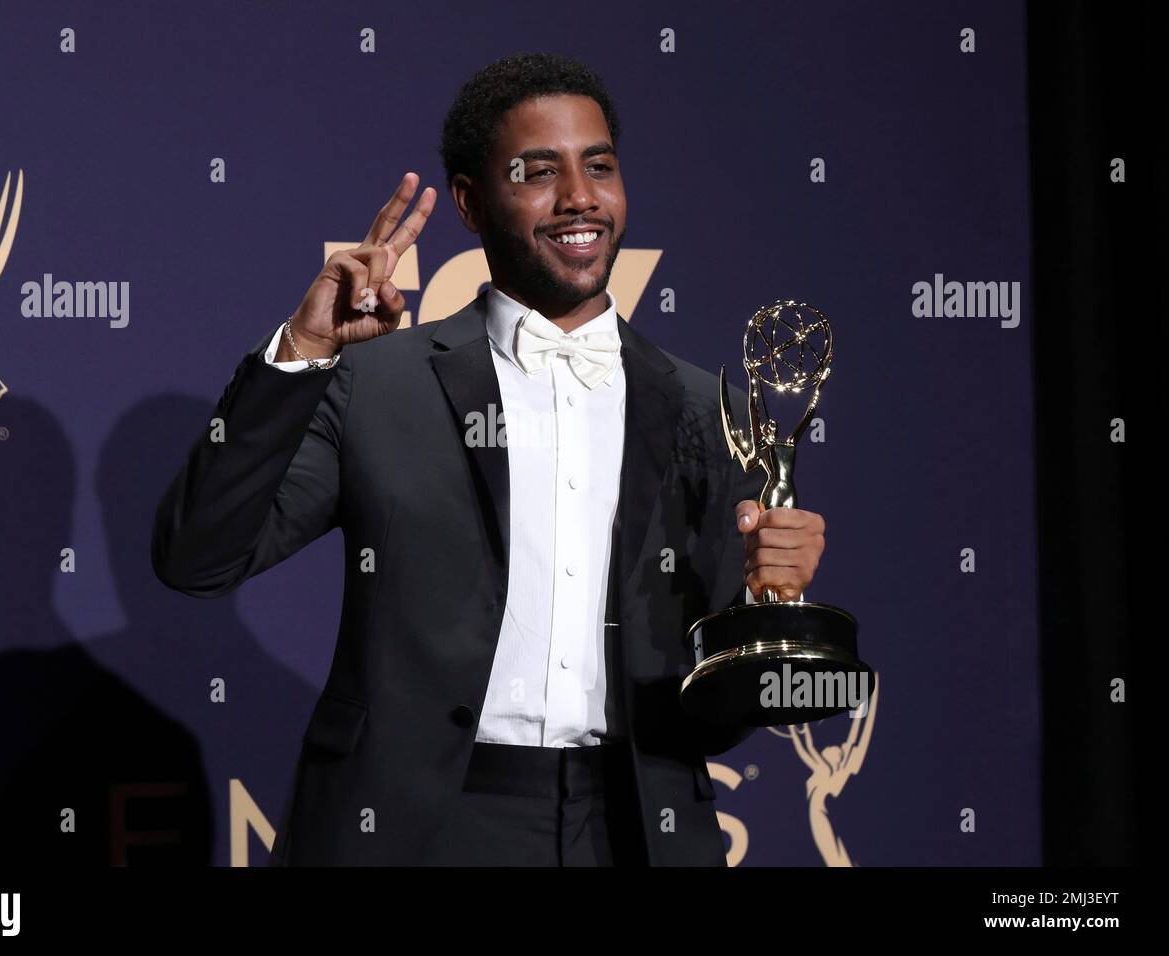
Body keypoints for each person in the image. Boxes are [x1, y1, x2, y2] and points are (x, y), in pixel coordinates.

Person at [151, 52, 826, 866]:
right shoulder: (377, 384)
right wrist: (300, 354)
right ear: (471, 204)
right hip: (418, 832)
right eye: (538, 171)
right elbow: (197, 558)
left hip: (632, 829)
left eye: (599, 167)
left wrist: (769, 608)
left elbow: (711, 715)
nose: (579, 197)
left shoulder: (702, 406)